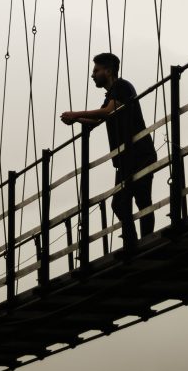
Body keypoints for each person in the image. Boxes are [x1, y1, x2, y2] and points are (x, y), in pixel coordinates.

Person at [61, 52, 157, 249]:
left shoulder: (121, 86)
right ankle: (138, 242)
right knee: (126, 202)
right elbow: (99, 117)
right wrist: (76, 119)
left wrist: (76, 113)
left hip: (138, 152)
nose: (93, 74)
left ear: (109, 70)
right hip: (127, 156)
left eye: (96, 70)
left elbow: (108, 112)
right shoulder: (112, 94)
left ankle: (143, 242)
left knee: (136, 200)